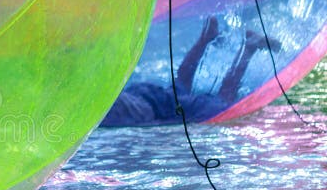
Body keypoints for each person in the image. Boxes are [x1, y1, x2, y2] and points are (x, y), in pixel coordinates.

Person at [103, 15, 281, 125]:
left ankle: (248, 49)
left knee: (223, 105)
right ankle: (208, 39)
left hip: (155, 110)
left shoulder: (89, 120)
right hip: (142, 94)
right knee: (180, 85)